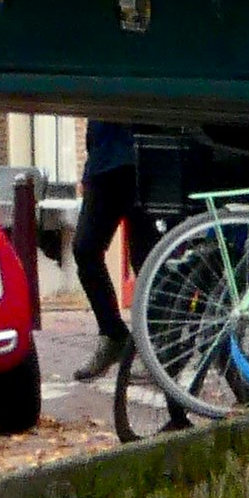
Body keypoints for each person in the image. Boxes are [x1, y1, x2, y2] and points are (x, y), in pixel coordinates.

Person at [73, 116, 153, 369]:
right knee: (84, 248)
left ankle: (157, 349)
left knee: (147, 259)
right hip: (104, 160)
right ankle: (113, 333)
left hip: (145, 157)